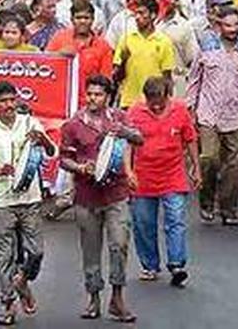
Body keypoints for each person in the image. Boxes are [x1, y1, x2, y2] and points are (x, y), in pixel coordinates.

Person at [58, 75, 141, 322]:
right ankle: (93, 297)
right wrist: (81, 168)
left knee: (120, 244)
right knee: (91, 250)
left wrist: (124, 131)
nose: (93, 98)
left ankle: (117, 297)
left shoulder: (119, 119)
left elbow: (139, 138)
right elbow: (63, 159)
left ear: (108, 97)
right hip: (87, 196)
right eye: (90, 94)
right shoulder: (73, 124)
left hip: (116, 193)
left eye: (98, 94)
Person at [0, 81, 56, 326]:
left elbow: (52, 152)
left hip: (30, 199)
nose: (9, 105)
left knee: (37, 251)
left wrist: (43, 140)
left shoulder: (30, 123)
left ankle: (23, 281)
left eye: (12, 100)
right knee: (5, 256)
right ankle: (8, 304)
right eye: (3, 101)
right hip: (2, 200)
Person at [186, 6, 238, 225]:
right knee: (209, 159)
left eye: (236, 25)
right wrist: (190, 107)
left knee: (233, 165)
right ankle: (207, 202)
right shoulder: (206, 45)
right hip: (208, 113)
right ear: (219, 25)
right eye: (227, 25)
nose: (232, 30)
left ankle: (229, 209)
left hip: (237, 115)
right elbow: (195, 78)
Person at [127, 77, 198, 287]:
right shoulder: (135, 113)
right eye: (152, 102)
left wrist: (196, 169)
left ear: (168, 96)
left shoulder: (180, 111)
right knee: (143, 223)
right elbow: (127, 145)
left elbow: (190, 139)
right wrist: (128, 171)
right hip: (143, 177)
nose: (156, 106)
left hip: (173, 175)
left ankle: (176, 264)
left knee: (175, 220)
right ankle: (149, 265)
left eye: (160, 101)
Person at [113, 0, 176, 108]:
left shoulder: (164, 41)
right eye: (136, 14)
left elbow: (167, 78)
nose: (137, 17)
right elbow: (116, 77)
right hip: (129, 102)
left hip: (154, 103)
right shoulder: (126, 39)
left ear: (153, 15)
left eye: (142, 13)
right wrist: (123, 60)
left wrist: (168, 105)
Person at [47, 1, 114, 98]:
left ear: (92, 20)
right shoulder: (59, 38)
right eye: (78, 18)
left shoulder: (103, 46)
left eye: (86, 18)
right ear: (72, 20)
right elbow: (46, 65)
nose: (82, 21)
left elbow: (106, 80)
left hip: (88, 101)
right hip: (60, 98)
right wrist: (59, 55)